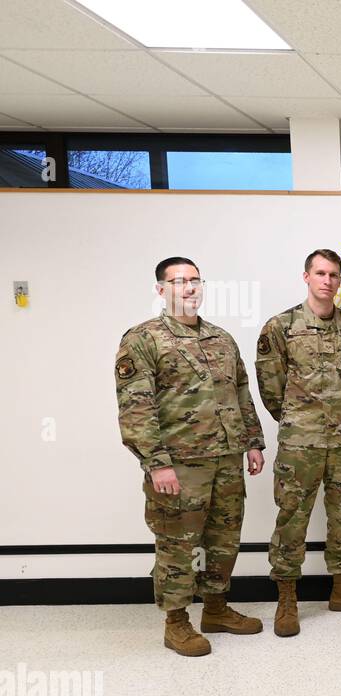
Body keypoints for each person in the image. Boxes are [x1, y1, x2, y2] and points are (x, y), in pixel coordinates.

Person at [115, 256, 265, 656]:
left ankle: (215, 609)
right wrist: (156, 462)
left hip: (226, 459)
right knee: (178, 544)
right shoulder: (143, 339)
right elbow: (136, 406)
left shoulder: (221, 339)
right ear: (161, 290)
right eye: (179, 281)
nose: (190, 288)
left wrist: (252, 441)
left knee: (223, 539)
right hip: (179, 464)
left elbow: (242, 393)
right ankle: (176, 622)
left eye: (195, 280)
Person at [256, 249, 341, 637]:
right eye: (320, 273)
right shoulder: (281, 326)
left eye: (333, 275)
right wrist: (298, 418)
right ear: (306, 277)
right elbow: (270, 385)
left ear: (339, 281)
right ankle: (287, 600)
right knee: (292, 515)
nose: (327, 280)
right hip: (301, 440)